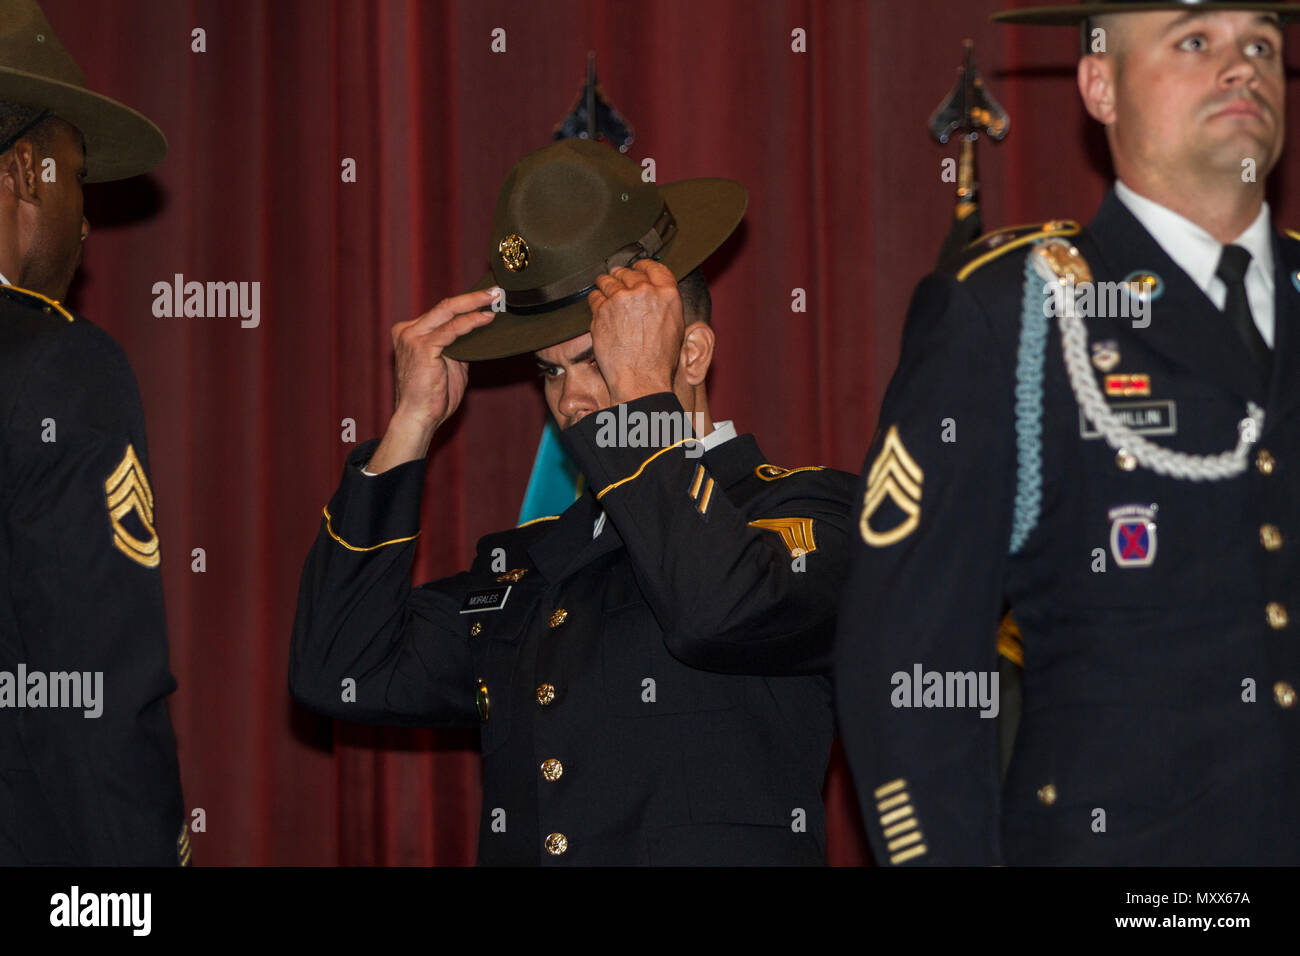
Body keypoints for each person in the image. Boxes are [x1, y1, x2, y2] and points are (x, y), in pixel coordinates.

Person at [290, 137, 856, 865]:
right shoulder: (534, 563)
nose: (572, 401)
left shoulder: (811, 513)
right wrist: (408, 428)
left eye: (596, 360)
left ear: (690, 354)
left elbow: (716, 612)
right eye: (551, 372)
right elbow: (341, 671)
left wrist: (643, 398)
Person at [835, 0, 1300, 866]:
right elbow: (910, 666)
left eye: (1263, 44)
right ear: (1100, 85)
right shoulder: (1012, 314)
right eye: (1195, 40)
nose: (1242, 66)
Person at [0, 0, 187, 865]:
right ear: (26, 170)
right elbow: (92, 694)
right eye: (77, 178)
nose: (85, 223)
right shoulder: (61, 366)